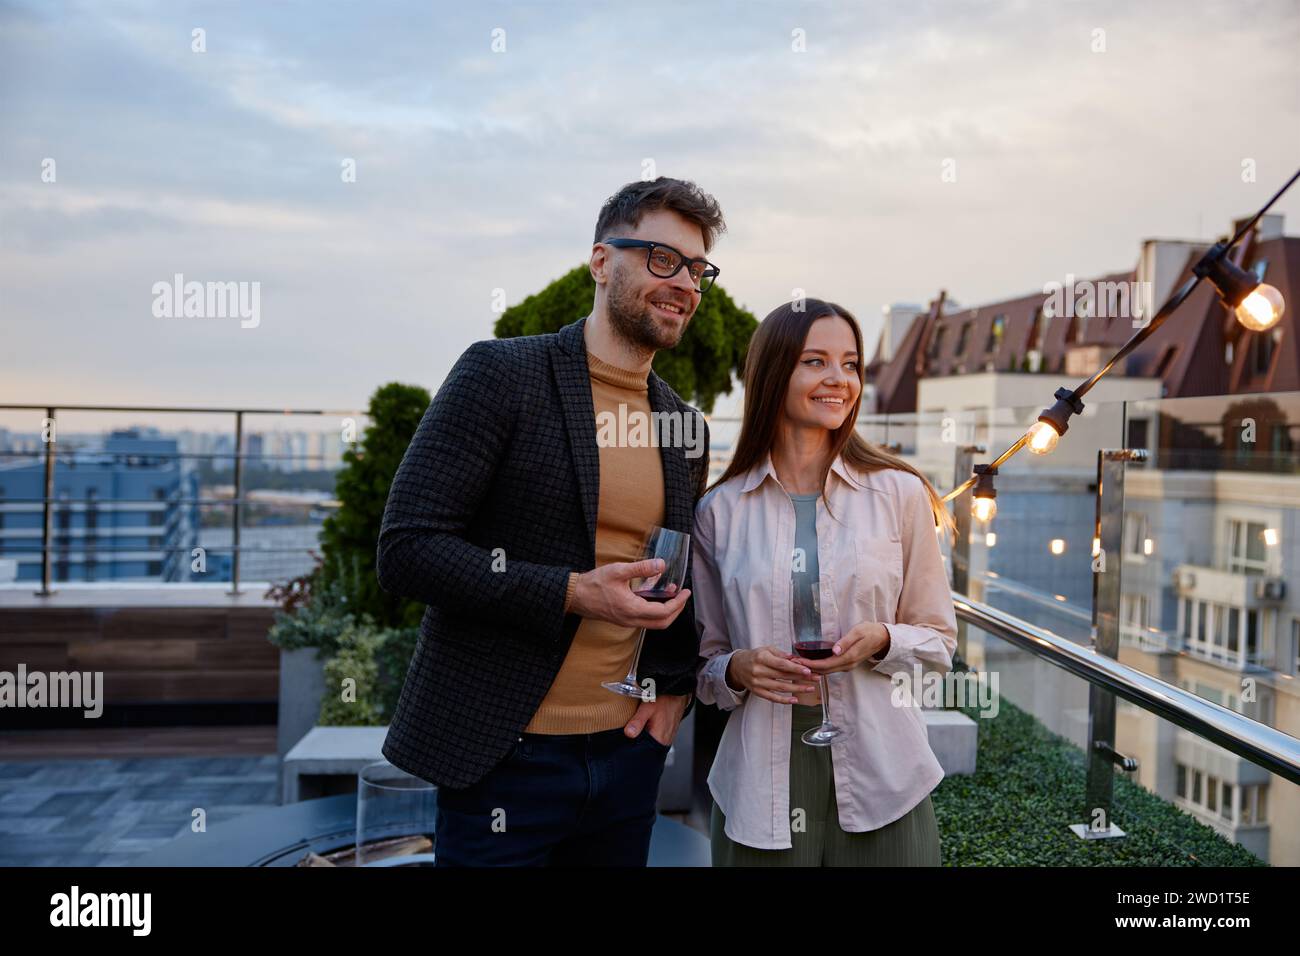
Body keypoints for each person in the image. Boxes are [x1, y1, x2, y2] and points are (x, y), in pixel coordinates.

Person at [376, 177, 723, 866]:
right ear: (601, 261)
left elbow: (677, 571)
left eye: (696, 268)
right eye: (661, 257)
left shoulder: (685, 424)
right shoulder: (501, 374)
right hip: (505, 758)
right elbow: (407, 549)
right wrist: (573, 591)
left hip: (626, 758)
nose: (683, 281)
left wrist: (675, 691)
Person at [692, 297, 958, 866]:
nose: (839, 379)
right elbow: (705, 663)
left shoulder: (900, 494)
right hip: (760, 777)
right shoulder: (719, 511)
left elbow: (939, 642)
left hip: (885, 771)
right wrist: (737, 667)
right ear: (773, 373)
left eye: (851, 364)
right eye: (815, 361)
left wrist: (885, 639)